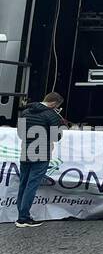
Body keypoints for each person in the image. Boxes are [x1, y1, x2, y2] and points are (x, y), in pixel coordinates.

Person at [14, 92, 64, 228]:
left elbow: (20, 133)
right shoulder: (51, 115)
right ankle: (24, 218)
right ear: (54, 103)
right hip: (41, 153)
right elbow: (56, 137)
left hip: (26, 151)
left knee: (23, 184)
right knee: (32, 184)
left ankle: (20, 217)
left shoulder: (25, 112)